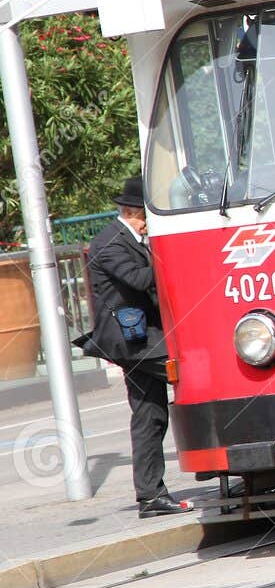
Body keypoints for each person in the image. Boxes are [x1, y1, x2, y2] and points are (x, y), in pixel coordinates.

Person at [79, 176, 191, 518]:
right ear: (135, 213)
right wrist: (168, 250)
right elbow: (141, 280)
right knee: (193, 372)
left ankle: (151, 496)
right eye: (149, 215)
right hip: (134, 342)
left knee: (149, 416)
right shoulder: (110, 243)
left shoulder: (129, 239)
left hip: (143, 338)